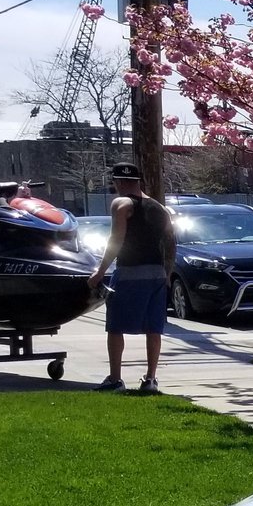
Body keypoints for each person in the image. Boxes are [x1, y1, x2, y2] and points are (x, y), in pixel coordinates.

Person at [87, 162, 175, 393]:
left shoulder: (121, 203)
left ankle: (115, 379)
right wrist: (167, 272)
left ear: (118, 182)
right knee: (153, 328)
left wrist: (100, 270)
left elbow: (116, 239)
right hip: (156, 273)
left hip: (129, 272)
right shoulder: (159, 208)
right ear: (138, 181)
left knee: (115, 327)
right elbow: (170, 241)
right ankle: (151, 380)